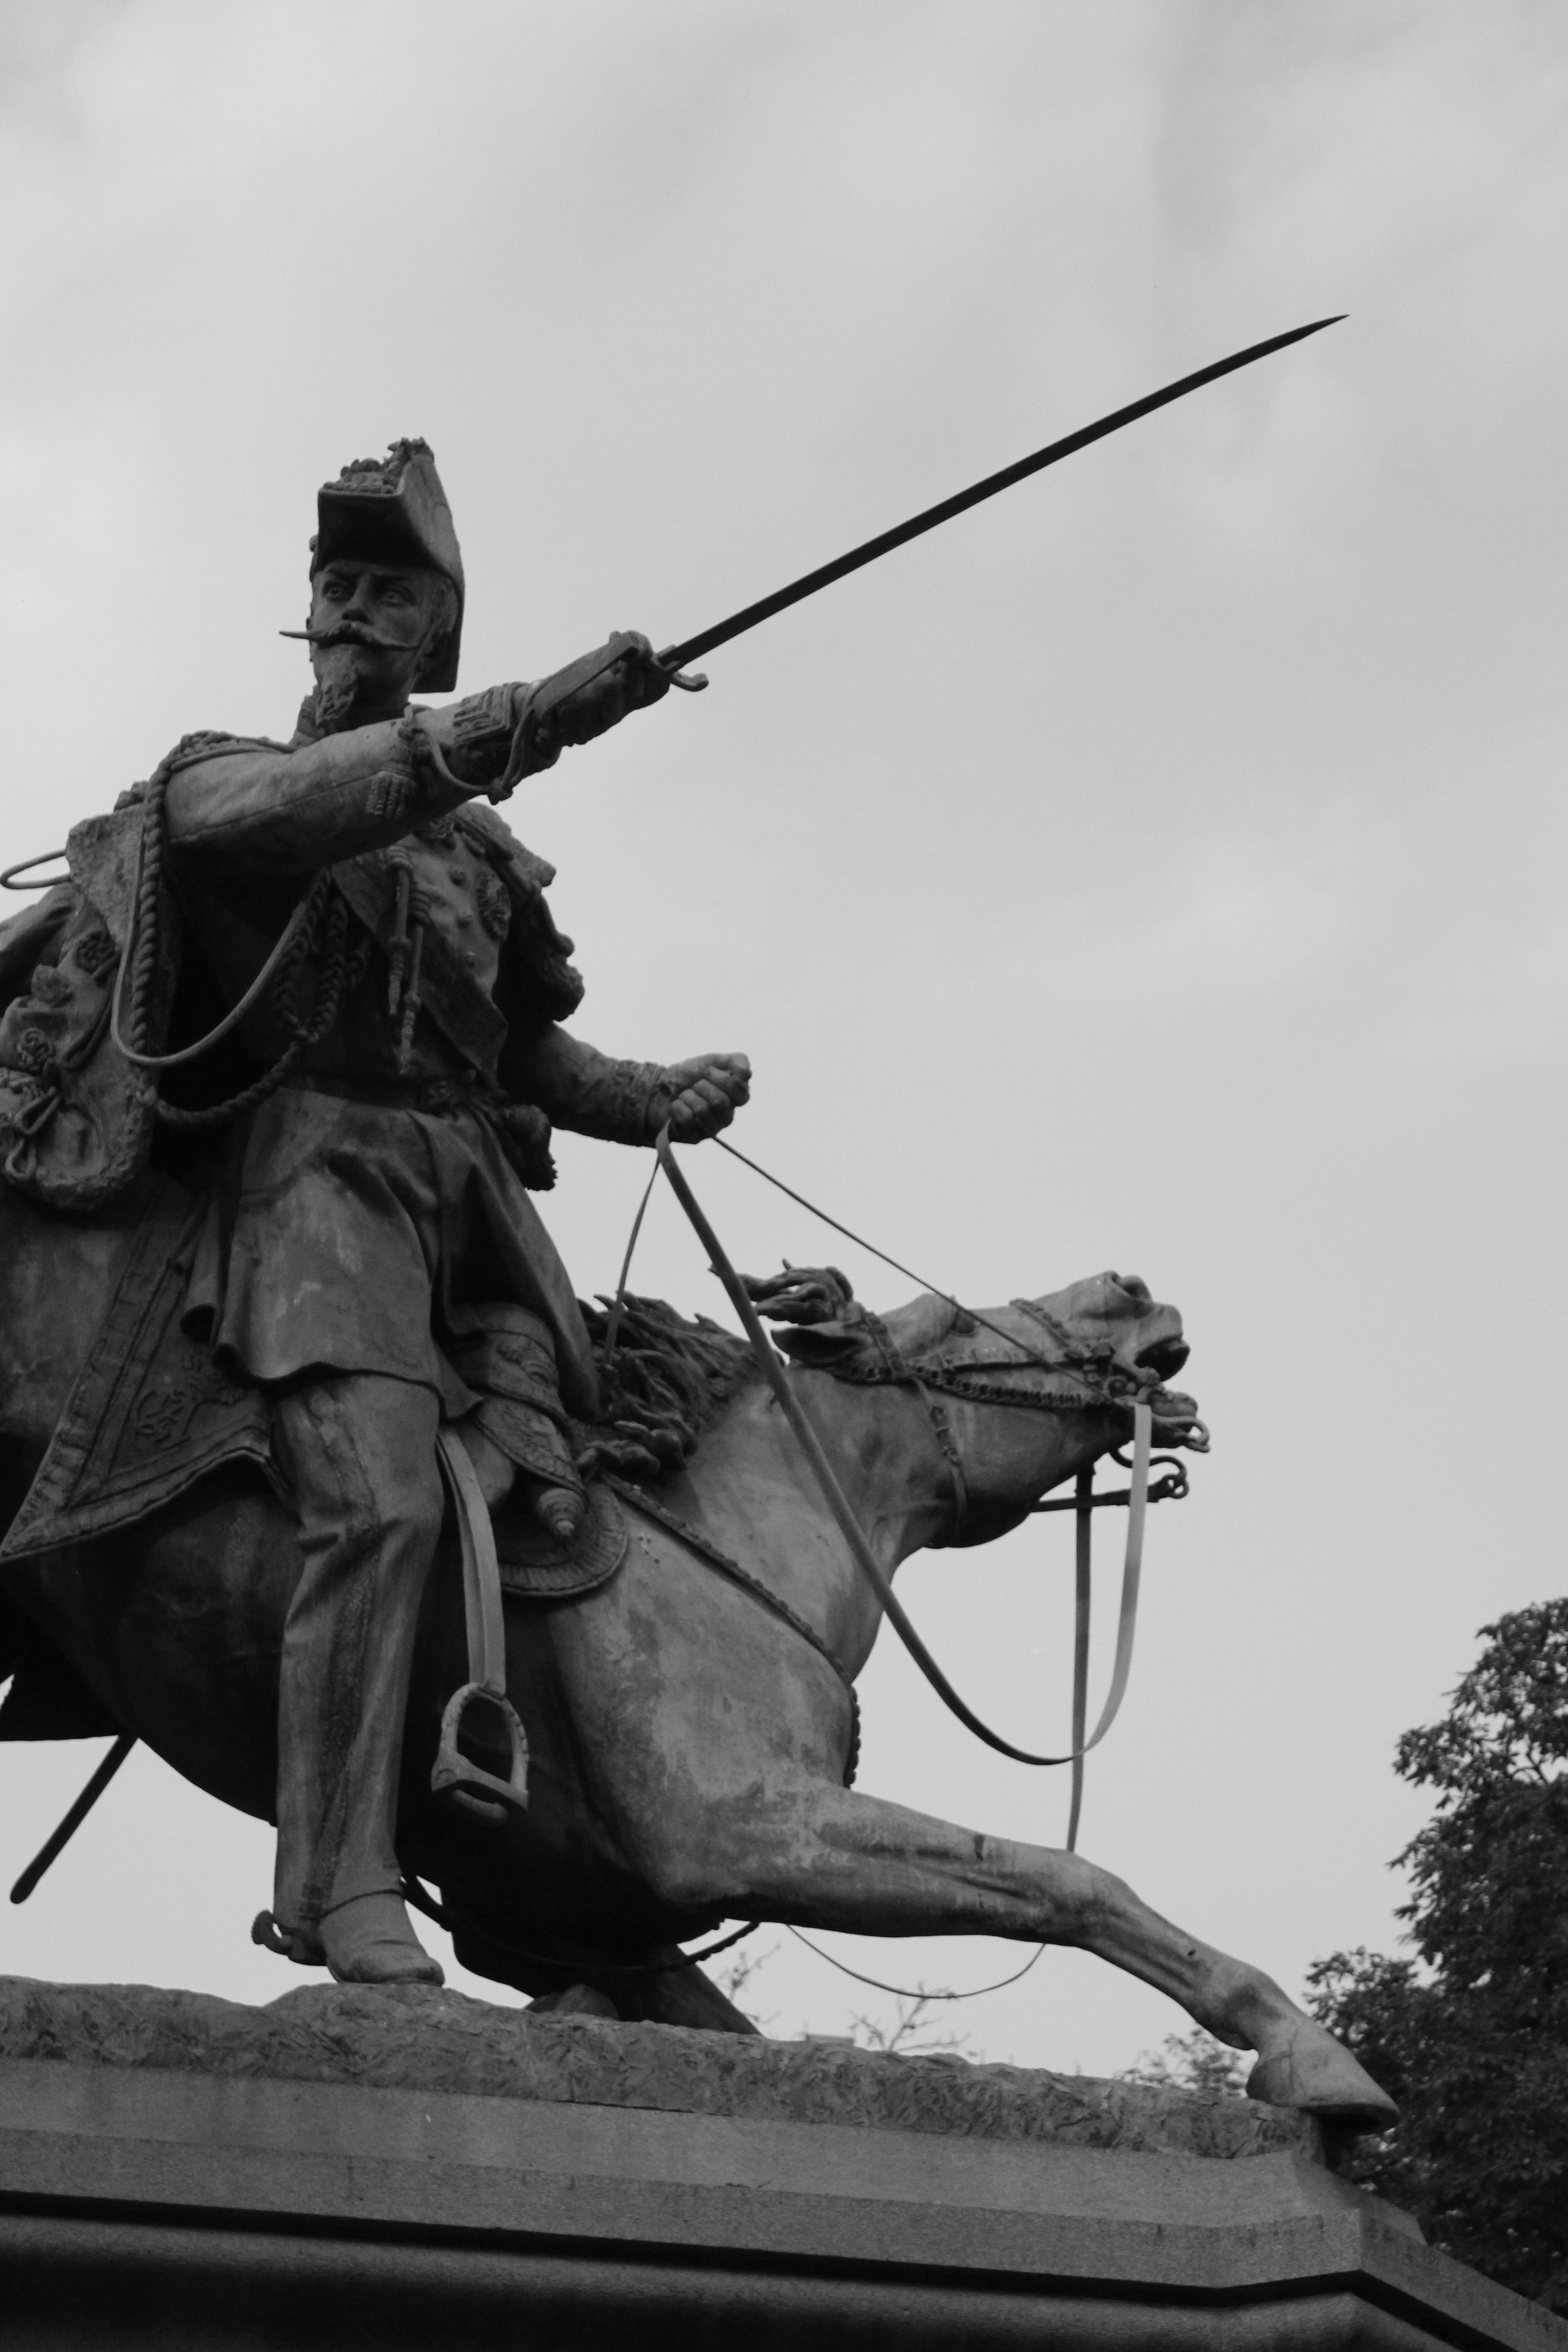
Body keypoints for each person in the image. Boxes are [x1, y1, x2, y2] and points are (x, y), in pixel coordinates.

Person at [110, 440, 749, 1983]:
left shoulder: (480, 860)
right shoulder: (222, 775)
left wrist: (647, 1095)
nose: (350, 609)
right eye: (334, 584)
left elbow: (512, 1050)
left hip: (468, 1221)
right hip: (316, 1193)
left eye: (386, 593)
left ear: (429, 631)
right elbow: (298, 812)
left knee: (586, 1515)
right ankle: (339, 1884)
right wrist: (524, 722)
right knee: (381, 1507)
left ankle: (560, 1837)